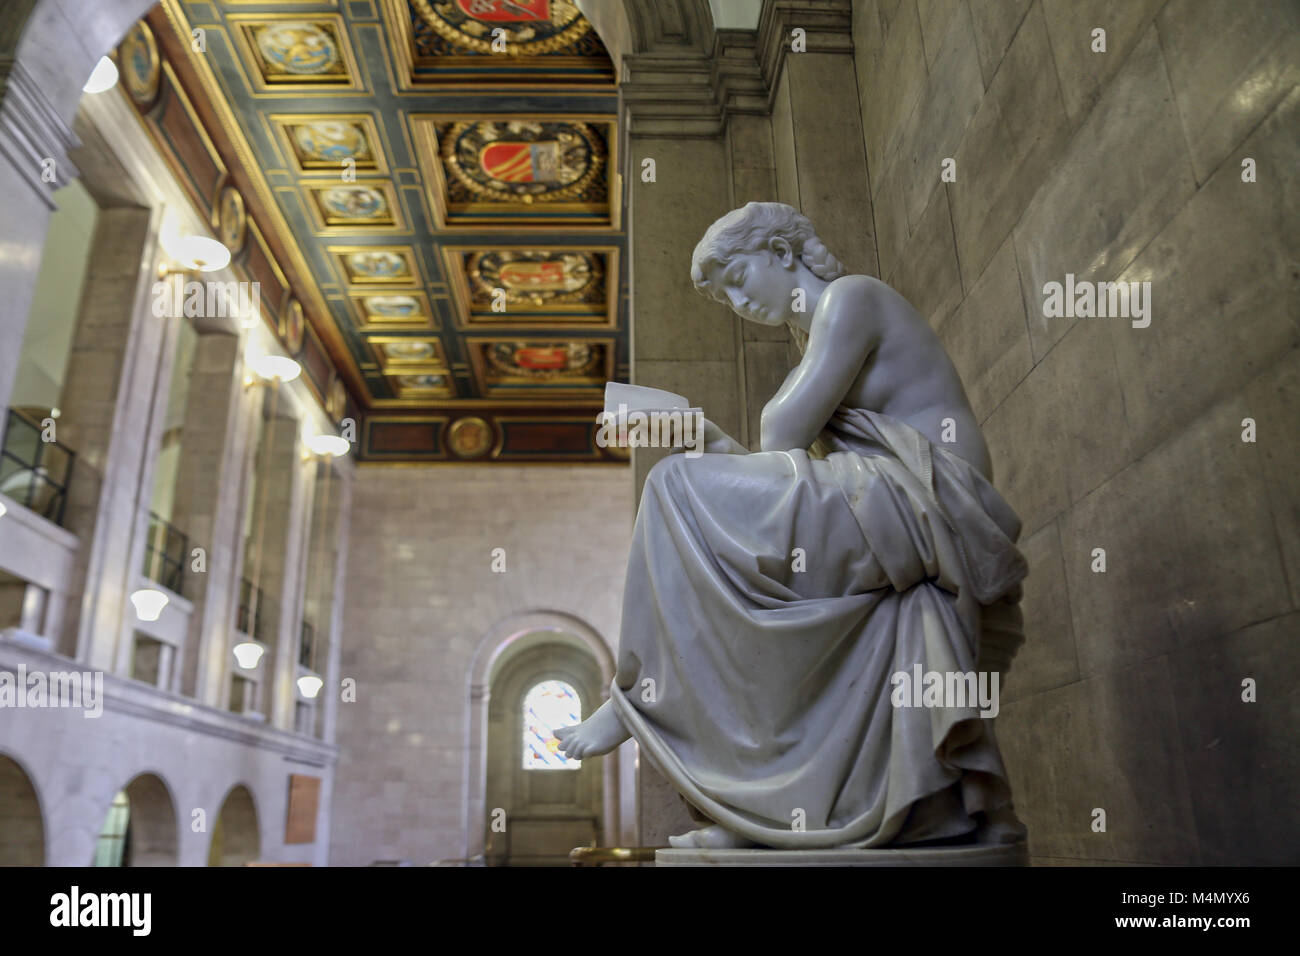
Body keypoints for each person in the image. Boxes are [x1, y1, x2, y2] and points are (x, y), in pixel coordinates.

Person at [557, 202, 1028, 850]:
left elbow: (783, 436)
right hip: (882, 498)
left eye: (738, 278)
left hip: (931, 499)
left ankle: (636, 699)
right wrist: (696, 432)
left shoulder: (850, 301)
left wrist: (703, 442)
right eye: (724, 297)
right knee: (713, 519)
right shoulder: (822, 337)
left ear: (781, 251)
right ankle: (777, 812)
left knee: (674, 487)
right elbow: (782, 464)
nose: (737, 301)